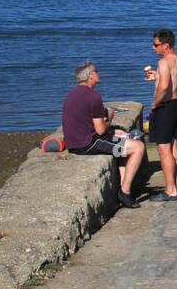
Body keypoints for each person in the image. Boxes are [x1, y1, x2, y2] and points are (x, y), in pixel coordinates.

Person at [61, 62, 145, 209]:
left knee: (123, 141)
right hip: (87, 143)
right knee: (138, 147)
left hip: (75, 141)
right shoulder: (93, 96)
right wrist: (110, 118)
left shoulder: (72, 94)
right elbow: (100, 131)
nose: (98, 73)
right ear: (90, 76)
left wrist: (112, 130)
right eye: (96, 71)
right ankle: (124, 193)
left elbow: (88, 123)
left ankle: (124, 187)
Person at [144, 28, 177, 201]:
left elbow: (163, 87)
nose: (153, 48)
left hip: (166, 107)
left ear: (166, 45)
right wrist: (157, 76)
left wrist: (155, 103)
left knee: (163, 148)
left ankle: (170, 190)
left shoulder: (163, 62)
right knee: (174, 146)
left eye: (156, 45)